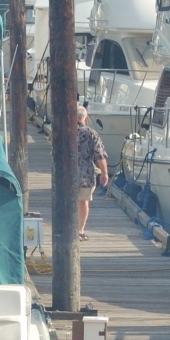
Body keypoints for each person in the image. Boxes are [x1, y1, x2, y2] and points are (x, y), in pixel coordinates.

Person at [75, 103, 109, 240]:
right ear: (86, 118)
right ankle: (80, 230)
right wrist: (105, 173)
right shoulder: (91, 133)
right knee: (83, 202)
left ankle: (67, 228)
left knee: (67, 202)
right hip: (85, 174)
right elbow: (99, 155)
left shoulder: (64, 131)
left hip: (64, 174)